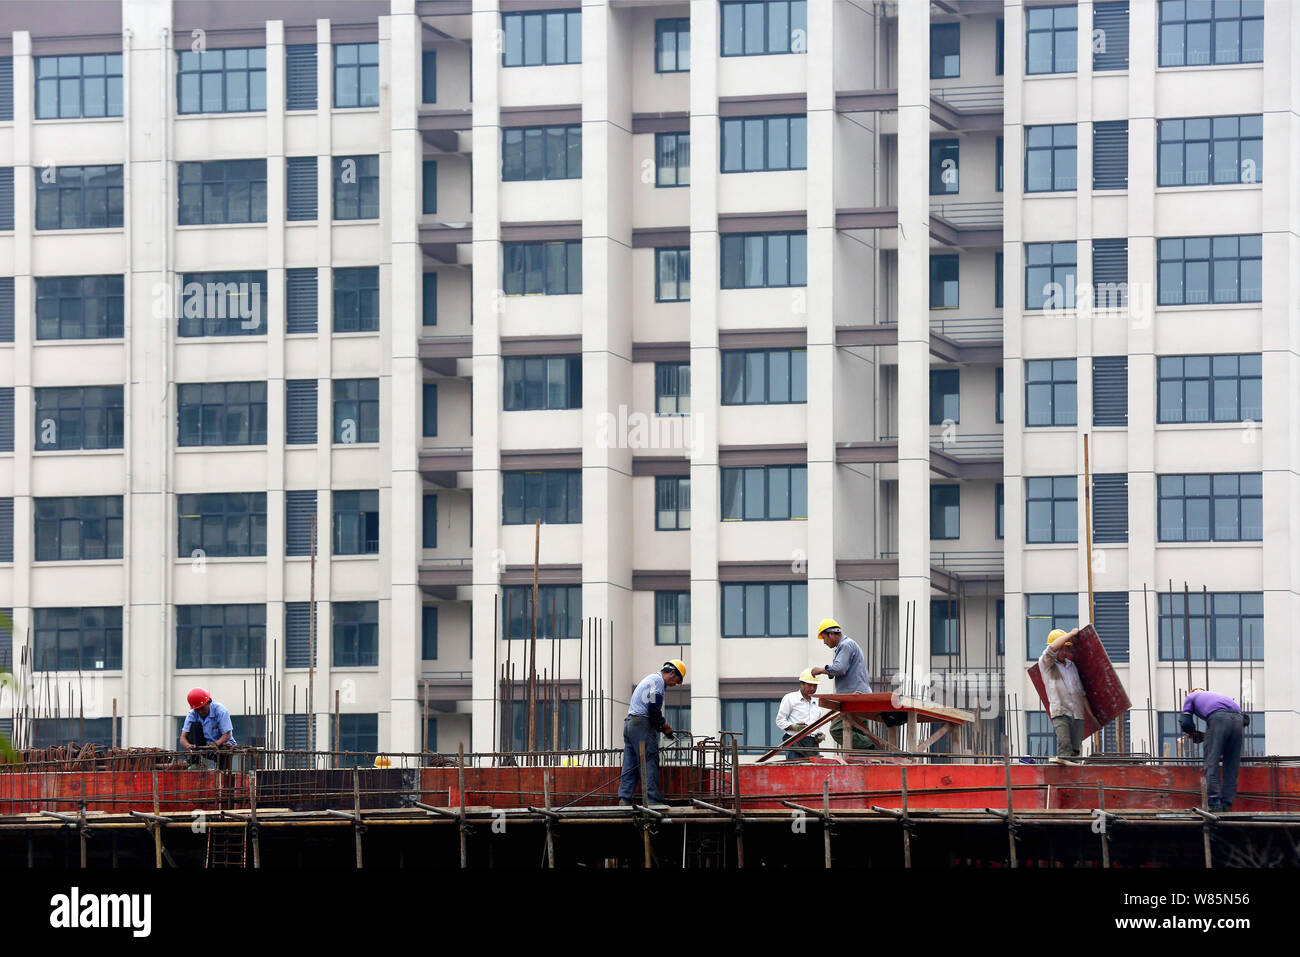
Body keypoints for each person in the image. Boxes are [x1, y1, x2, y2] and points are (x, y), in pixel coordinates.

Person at [617, 660, 685, 806]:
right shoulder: (658, 682)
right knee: (649, 760)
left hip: (630, 723)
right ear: (672, 673)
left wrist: (660, 725)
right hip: (641, 724)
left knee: (631, 763)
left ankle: (624, 798)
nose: (675, 684)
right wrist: (663, 725)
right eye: (676, 681)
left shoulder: (650, 679)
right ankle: (652, 799)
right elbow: (653, 709)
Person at [809, 618, 875, 751]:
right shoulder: (848, 645)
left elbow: (840, 668)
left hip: (856, 697)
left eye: (824, 638)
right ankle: (865, 754)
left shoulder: (845, 645)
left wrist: (822, 670)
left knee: (837, 729)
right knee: (858, 729)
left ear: (831, 634)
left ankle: (874, 745)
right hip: (857, 696)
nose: (824, 642)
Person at [1181, 688, 1247, 812]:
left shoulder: (1191, 696)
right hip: (1239, 720)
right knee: (1231, 764)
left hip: (1218, 718)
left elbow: (1185, 723)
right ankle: (1227, 803)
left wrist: (1192, 733)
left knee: (1211, 761)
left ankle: (1214, 802)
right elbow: (1246, 719)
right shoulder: (1220, 695)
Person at [1038, 628, 1098, 763]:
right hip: (1061, 711)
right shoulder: (1047, 664)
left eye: (1067, 649)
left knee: (1076, 750)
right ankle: (1063, 776)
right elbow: (1051, 648)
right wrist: (1070, 634)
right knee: (1065, 745)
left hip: (1077, 713)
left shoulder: (1072, 666)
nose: (1064, 652)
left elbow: (1081, 693)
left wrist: (1091, 716)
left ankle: (1074, 775)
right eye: (1061, 649)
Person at [775, 669, 827, 761]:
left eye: (815, 686)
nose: (812, 689)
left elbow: (819, 723)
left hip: (812, 744)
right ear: (801, 684)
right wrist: (794, 727)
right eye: (809, 685)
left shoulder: (817, 701)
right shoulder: (790, 698)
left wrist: (820, 734)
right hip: (794, 741)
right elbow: (780, 721)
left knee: (813, 771)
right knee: (795, 769)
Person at [180, 688, 236, 770]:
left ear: (209, 702)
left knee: (223, 752)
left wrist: (215, 744)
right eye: (197, 709)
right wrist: (189, 746)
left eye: (202, 708)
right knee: (194, 726)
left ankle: (222, 772)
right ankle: (195, 763)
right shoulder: (192, 714)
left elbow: (227, 735)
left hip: (222, 745)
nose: (200, 712)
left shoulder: (220, 711)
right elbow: (183, 738)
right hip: (204, 746)